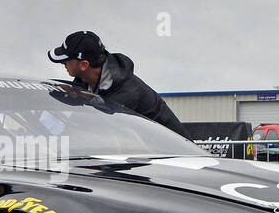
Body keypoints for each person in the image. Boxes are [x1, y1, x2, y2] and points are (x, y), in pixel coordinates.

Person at [48, 30, 187, 136]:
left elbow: (90, 132)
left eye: (66, 59)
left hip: (172, 162)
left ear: (84, 65)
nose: (62, 63)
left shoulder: (127, 95)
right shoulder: (84, 81)